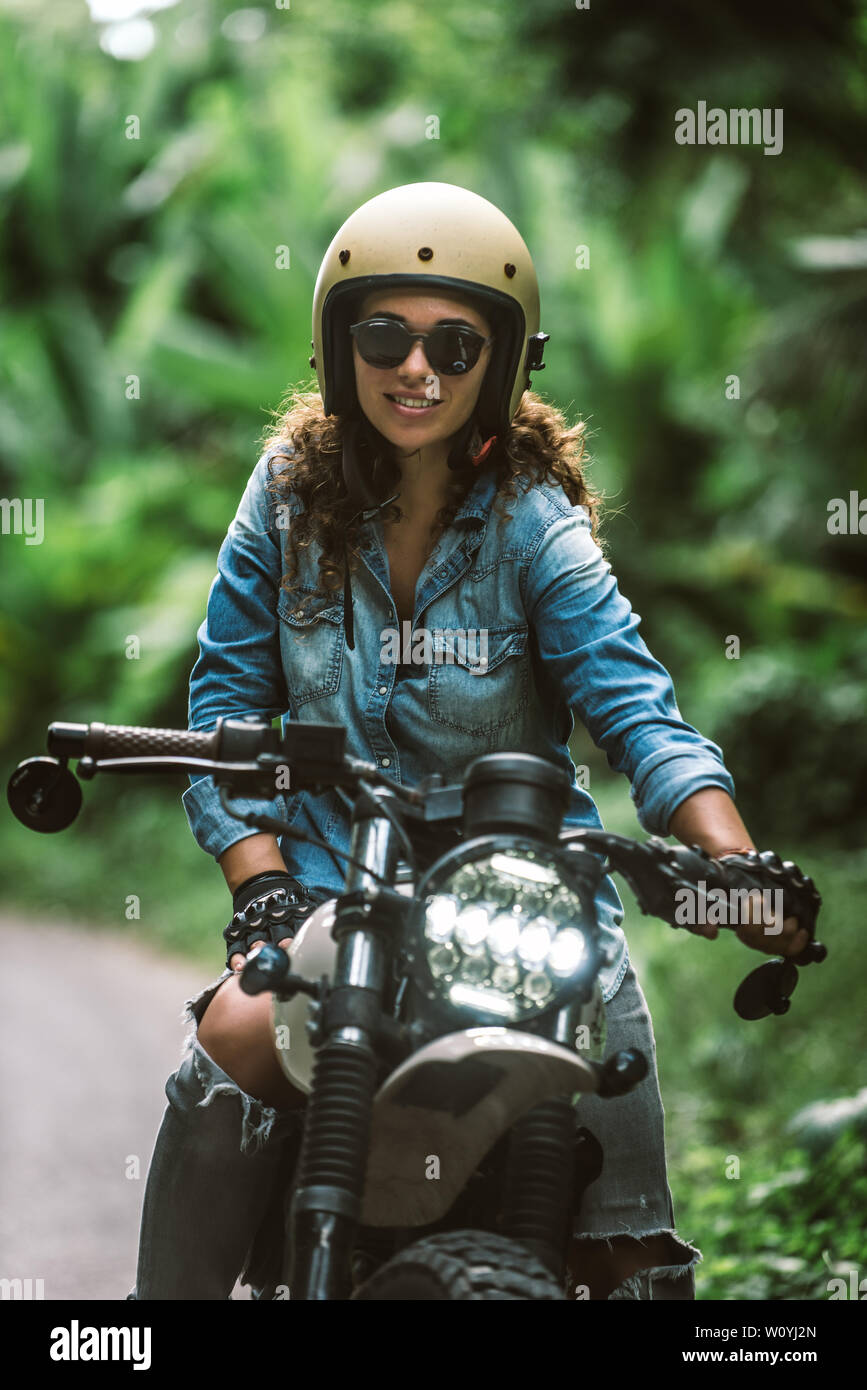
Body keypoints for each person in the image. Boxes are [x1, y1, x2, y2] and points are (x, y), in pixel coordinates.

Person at [130, 182, 811, 1301]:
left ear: (499, 360)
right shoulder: (285, 502)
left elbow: (637, 705)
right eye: (385, 335)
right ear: (340, 345)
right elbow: (226, 706)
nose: (417, 368)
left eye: (454, 343)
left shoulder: (535, 519)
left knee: (636, 1258)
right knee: (237, 1037)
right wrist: (260, 888)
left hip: (526, 898)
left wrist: (732, 865)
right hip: (330, 891)